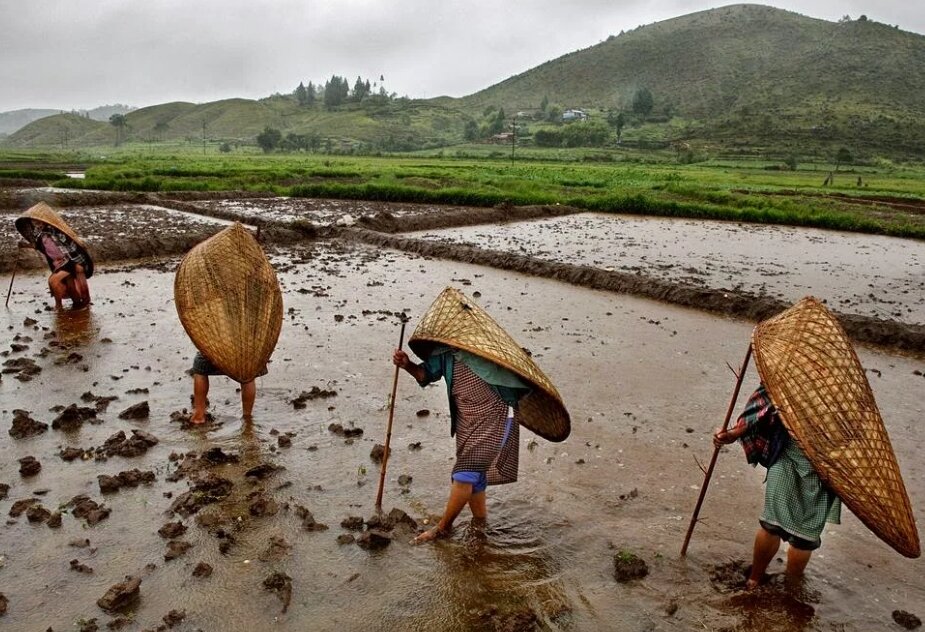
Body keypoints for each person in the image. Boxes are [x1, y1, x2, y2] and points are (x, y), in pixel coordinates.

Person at [393, 345, 531, 544]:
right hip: (467, 421)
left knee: (465, 473)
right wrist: (407, 365)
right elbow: (425, 374)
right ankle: (480, 527)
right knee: (474, 478)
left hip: (497, 416)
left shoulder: (488, 348)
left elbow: (518, 379)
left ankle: (443, 528)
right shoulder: (444, 352)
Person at [713, 384, 841, 589]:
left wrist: (736, 432)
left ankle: (756, 582)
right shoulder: (846, 393)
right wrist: (735, 433)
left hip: (808, 463)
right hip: (817, 465)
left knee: (780, 527)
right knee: (799, 534)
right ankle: (785, 588)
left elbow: (763, 406)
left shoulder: (792, 376)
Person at [18, 219, 91, 309]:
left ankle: (59, 306)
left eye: (38, 221)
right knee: (70, 285)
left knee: (53, 281)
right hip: (59, 263)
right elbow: (37, 246)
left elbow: (70, 241)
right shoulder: (40, 235)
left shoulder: (54, 230)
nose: (37, 224)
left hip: (69, 261)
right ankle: (77, 304)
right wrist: (23, 245)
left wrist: (79, 260)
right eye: (34, 222)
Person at [189, 351, 261, 424]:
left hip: (220, 347)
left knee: (200, 364)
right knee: (248, 371)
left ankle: (199, 416)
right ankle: (247, 416)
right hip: (246, 347)